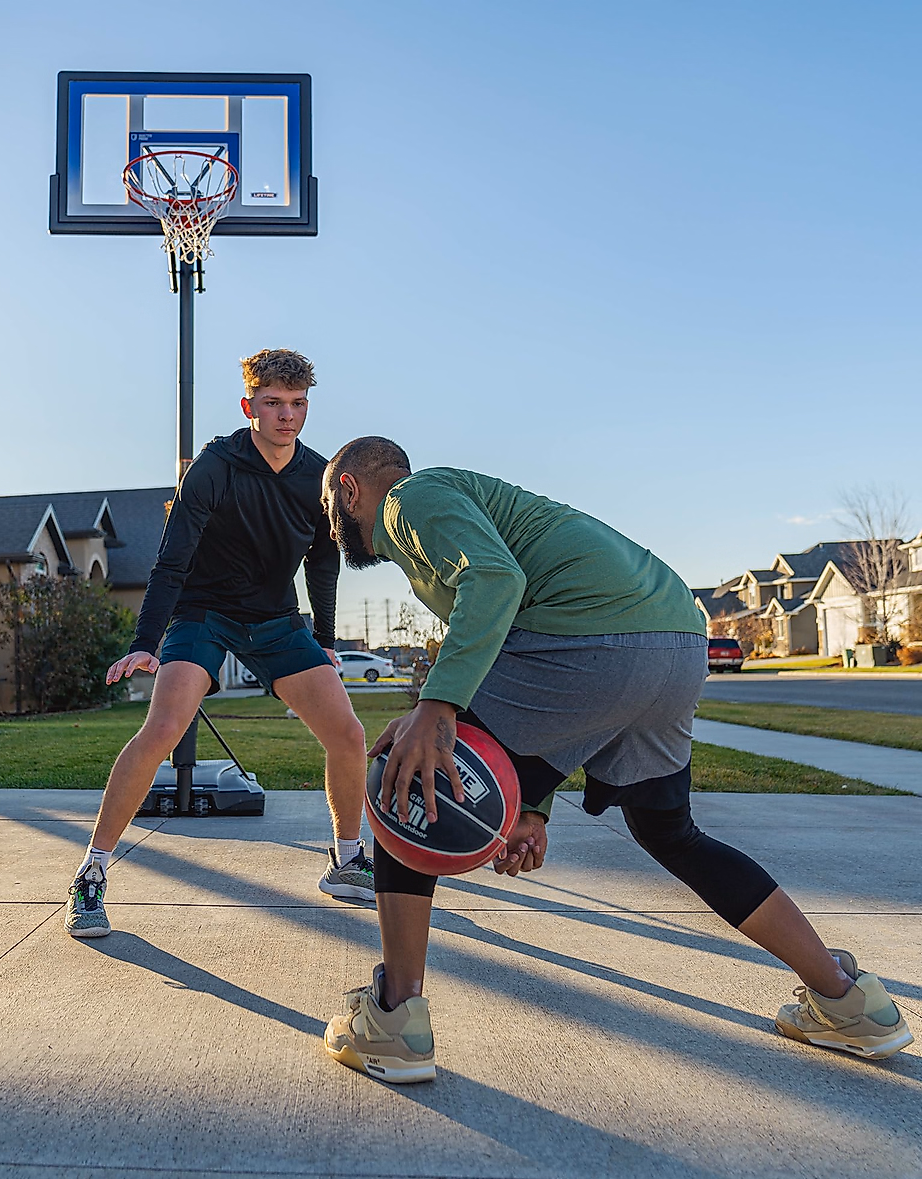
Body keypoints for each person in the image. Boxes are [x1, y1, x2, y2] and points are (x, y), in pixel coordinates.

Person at [319, 436, 913, 1082]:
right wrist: (531, 806)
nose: (328, 526)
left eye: (327, 508)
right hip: (675, 640)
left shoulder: (411, 498)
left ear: (349, 490)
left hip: (597, 636)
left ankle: (395, 1022)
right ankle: (848, 1000)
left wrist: (437, 708)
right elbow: (528, 647)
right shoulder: (453, 506)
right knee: (671, 834)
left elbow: (496, 581)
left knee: (410, 790)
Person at [64, 350, 373, 937]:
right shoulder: (214, 466)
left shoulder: (318, 477)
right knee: (162, 728)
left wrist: (326, 639)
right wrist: (146, 640)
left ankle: (346, 859)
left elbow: (323, 562)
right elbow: (172, 557)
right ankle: (92, 873)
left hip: (277, 620)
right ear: (248, 406)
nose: (287, 416)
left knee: (348, 733)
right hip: (204, 614)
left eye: (298, 404)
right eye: (274, 404)